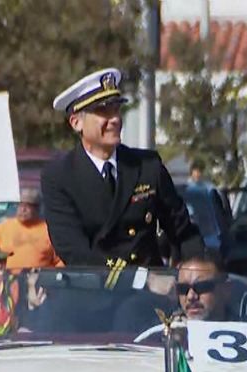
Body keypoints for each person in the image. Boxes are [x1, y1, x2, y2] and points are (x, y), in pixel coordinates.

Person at [41, 68, 202, 268]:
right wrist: (137, 280)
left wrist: (197, 274)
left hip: (152, 293)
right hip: (98, 290)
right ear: (76, 123)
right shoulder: (60, 176)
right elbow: (75, 251)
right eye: (103, 112)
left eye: (116, 110)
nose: (115, 119)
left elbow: (183, 232)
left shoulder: (147, 166)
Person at [0, 188, 64, 270]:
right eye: (20, 205)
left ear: (37, 208)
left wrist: (49, 278)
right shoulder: (3, 227)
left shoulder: (49, 231)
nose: (23, 209)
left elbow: (61, 261)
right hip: (7, 280)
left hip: (39, 281)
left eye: (28, 206)